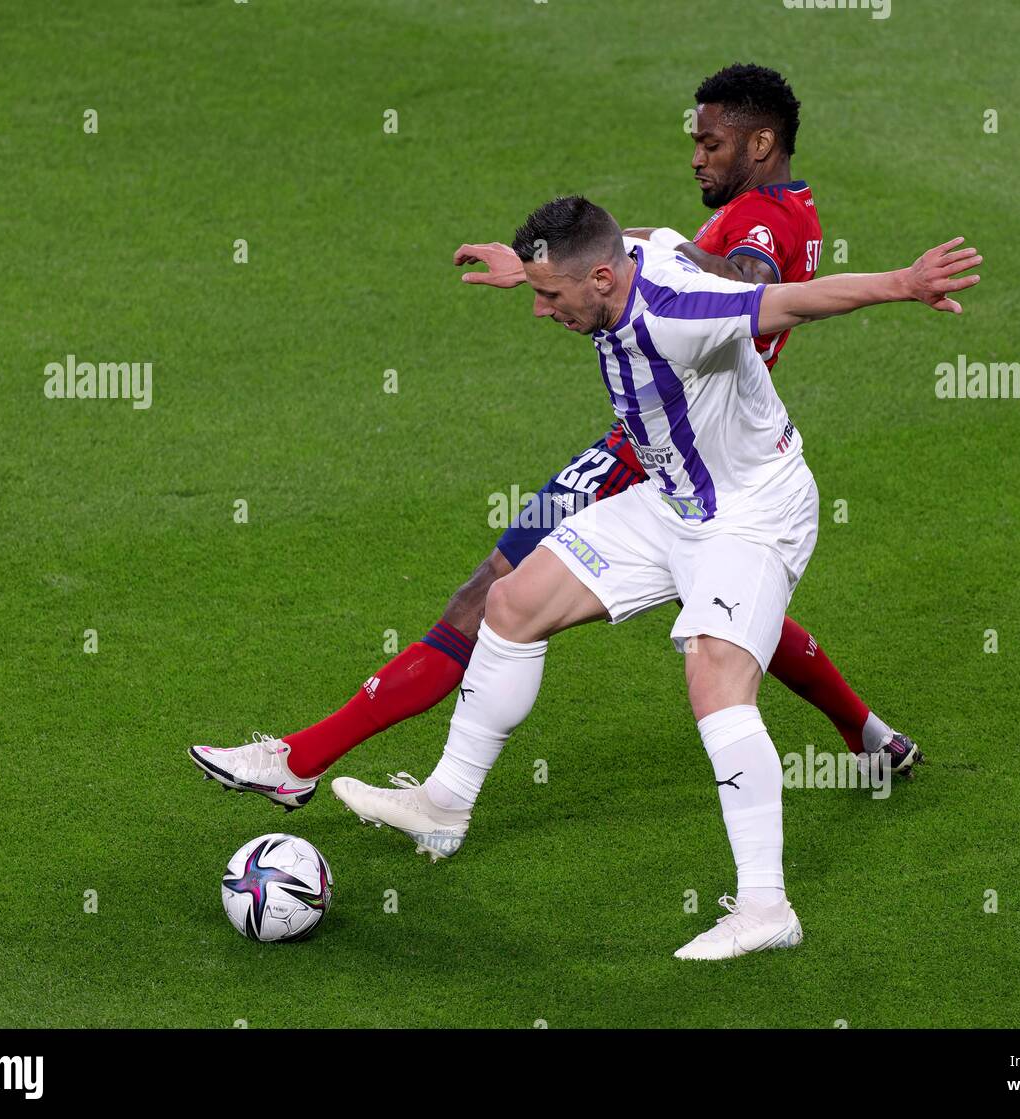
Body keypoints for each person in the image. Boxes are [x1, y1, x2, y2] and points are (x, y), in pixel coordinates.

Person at [188, 66, 921, 814]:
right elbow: (651, 252)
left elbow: (743, 283)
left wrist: (640, 255)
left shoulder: (764, 223)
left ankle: (301, 759)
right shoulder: (790, 205)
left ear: (760, 142)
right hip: (688, 450)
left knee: (487, 597)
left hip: (645, 458)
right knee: (731, 609)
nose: (696, 156)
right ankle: (867, 732)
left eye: (711, 142)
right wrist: (561, 258)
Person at [328, 197, 979, 958]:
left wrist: (903, 282)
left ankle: (768, 907)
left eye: (550, 296)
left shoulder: (680, 313)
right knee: (511, 603)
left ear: (602, 279)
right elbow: (636, 232)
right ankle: (445, 801)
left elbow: (787, 301)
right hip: (673, 504)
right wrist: (526, 264)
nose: (542, 313)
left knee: (712, 675)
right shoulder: (626, 260)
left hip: (753, 513)